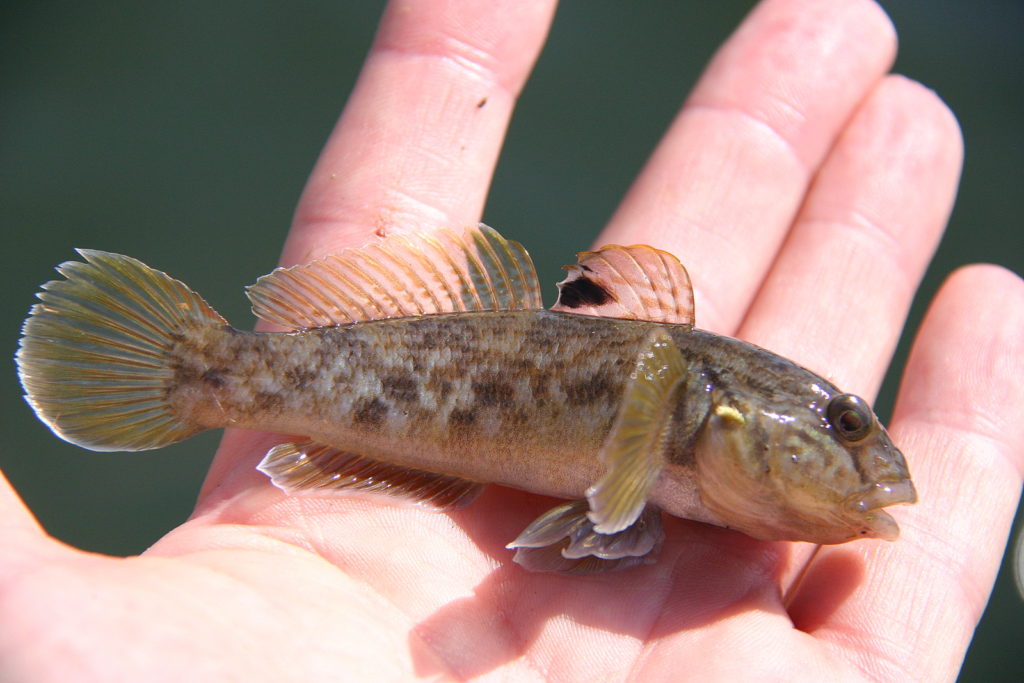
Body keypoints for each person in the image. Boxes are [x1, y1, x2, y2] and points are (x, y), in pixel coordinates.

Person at [2, 0, 1021, 679]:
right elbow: (651, 374)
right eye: (841, 423)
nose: (866, 459)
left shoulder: (689, 419)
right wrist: (614, 504)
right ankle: (204, 371)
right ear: (725, 410)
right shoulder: (670, 383)